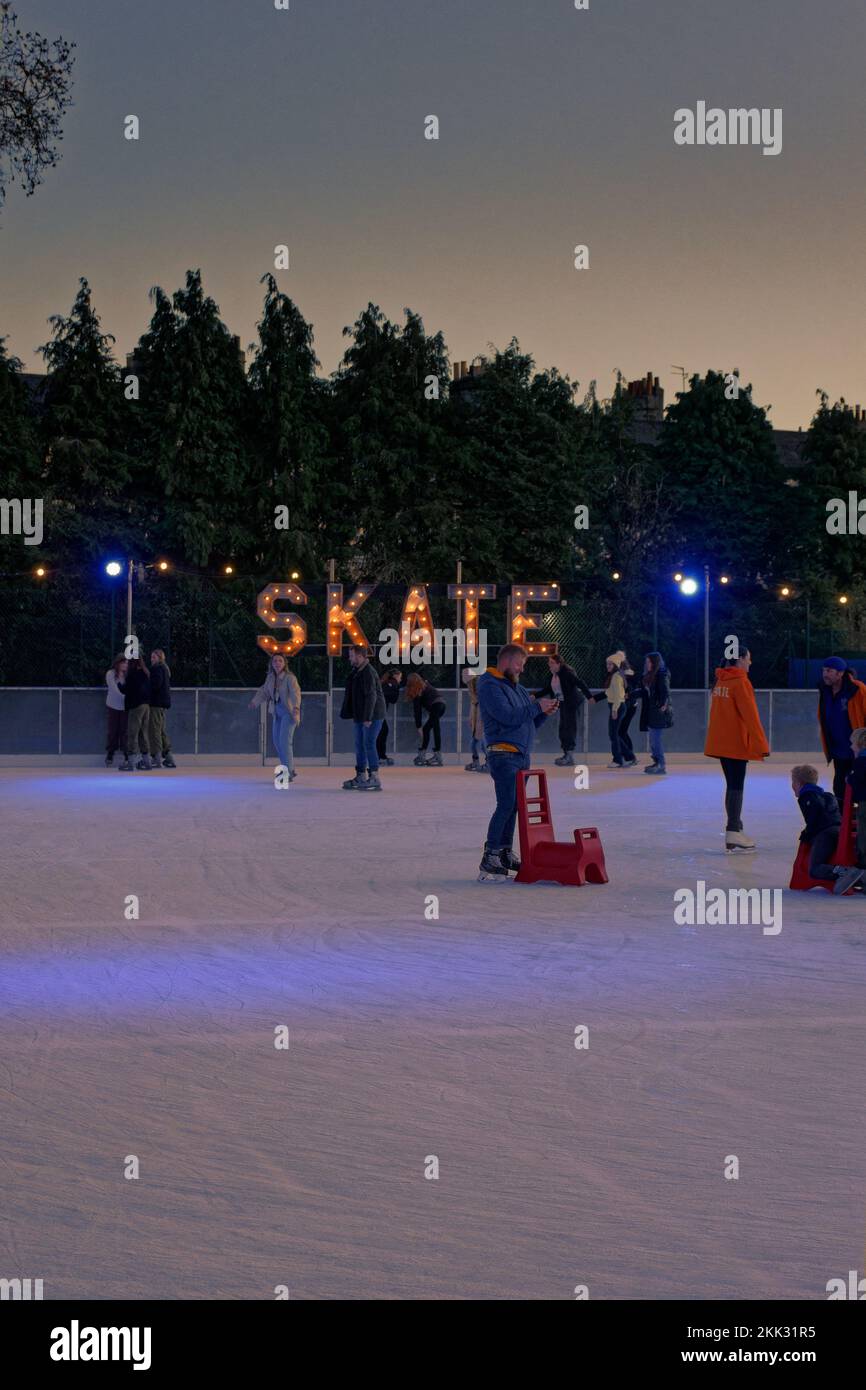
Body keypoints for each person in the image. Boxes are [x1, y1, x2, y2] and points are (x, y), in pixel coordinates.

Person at [476, 643, 557, 879]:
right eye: (519, 665)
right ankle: (490, 854)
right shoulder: (490, 684)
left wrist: (543, 712)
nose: (521, 670)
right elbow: (507, 717)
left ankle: (503, 851)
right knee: (506, 803)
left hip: (520, 754)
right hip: (503, 753)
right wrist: (535, 707)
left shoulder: (517, 688)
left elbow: (527, 723)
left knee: (515, 805)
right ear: (507, 662)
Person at [703, 647, 769, 851]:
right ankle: (733, 831)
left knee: (732, 785)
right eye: (748, 659)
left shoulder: (721, 680)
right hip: (736, 743)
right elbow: (751, 716)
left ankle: (736, 828)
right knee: (736, 786)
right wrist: (762, 746)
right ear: (740, 659)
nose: (750, 662)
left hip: (722, 742)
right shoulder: (740, 682)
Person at [817, 656, 866, 810]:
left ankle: (859, 821)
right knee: (839, 788)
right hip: (838, 750)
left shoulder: (857, 689)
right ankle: (844, 824)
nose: (825, 674)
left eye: (829, 671)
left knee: (859, 786)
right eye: (823, 670)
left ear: (840, 673)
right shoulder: (824, 690)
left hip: (858, 749)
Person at [790, 763, 846, 889]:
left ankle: (845, 872)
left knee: (814, 869)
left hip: (824, 834)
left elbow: (817, 812)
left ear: (799, 784)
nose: (792, 786)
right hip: (838, 830)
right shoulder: (828, 795)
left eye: (793, 782)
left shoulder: (807, 796)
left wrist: (807, 834)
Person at [249, 652, 302, 782]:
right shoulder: (271, 678)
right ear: (272, 664)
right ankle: (290, 769)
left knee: (284, 742)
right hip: (276, 712)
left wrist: (296, 707)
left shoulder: (290, 678)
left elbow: (296, 693)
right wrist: (255, 702)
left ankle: (287, 772)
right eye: (275, 661)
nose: (277, 663)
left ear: (284, 664)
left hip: (289, 712)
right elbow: (264, 692)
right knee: (277, 742)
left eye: (280, 661)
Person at [340, 645, 385, 790]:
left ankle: (374, 776)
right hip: (361, 714)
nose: (350, 658)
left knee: (369, 743)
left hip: (372, 714)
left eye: (352, 655)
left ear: (359, 656)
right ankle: (361, 775)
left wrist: (368, 717)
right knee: (360, 744)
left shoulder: (367, 672)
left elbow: (371, 695)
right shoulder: (358, 671)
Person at [534, 653, 591, 767]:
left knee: (569, 728)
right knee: (562, 728)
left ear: (558, 664)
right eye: (549, 662)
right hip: (563, 703)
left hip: (572, 703)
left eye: (551, 663)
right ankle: (566, 754)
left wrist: (590, 697)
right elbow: (548, 689)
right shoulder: (554, 675)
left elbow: (580, 683)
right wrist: (535, 696)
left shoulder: (566, 673)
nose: (549, 665)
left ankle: (569, 755)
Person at [836, 727, 866, 893]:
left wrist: (850, 777)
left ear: (860, 744)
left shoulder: (861, 761)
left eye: (853, 743)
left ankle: (863, 870)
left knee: (863, 838)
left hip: (864, 804)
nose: (850, 747)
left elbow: (855, 779)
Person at [636, 652, 672, 775]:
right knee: (652, 739)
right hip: (651, 711)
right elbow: (643, 692)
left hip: (658, 711)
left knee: (655, 739)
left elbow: (665, 690)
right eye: (646, 662)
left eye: (649, 662)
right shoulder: (649, 676)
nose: (647, 664)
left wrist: (662, 704)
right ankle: (657, 762)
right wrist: (630, 695)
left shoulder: (661, 674)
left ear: (655, 662)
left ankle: (661, 764)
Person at [599, 650, 635, 768]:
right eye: (607, 664)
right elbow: (611, 693)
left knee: (613, 734)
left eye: (610, 664)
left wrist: (614, 710)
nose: (607, 666)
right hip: (617, 706)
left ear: (615, 665)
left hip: (618, 707)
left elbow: (619, 695)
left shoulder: (616, 677)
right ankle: (628, 757)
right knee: (614, 734)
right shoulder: (615, 676)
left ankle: (619, 759)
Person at [118, 655, 152, 771]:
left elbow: (125, 690)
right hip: (146, 705)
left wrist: (120, 681)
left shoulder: (132, 675)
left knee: (132, 733)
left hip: (136, 706)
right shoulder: (145, 673)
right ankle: (146, 761)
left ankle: (131, 762)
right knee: (143, 733)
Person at [406, 674, 447, 767]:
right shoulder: (425, 685)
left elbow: (417, 710)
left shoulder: (418, 690)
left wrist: (418, 726)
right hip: (441, 705)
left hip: (436, 705)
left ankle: (435, 756)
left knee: (434, 728)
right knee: (428, 729)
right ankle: (428, 754)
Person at [148, 649, 176, 769]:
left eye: (154, 657)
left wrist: (146, 688)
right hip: (162, 704)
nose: (151, 659)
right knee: (161, 730)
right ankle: (168, 756)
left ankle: (156, 757)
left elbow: (156, 685)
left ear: (159, 658)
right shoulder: (165, 669)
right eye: (151, 657)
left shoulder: (157, 669)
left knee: (155, 731)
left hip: (156, 704)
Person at [104, 654, 128, 766]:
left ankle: (126, 753)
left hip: (124, 708)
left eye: (127, 663)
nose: (126, 665)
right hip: (113, 706)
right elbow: (114, 690)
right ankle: (110, 753)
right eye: (124, 663)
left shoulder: (127, 675)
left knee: (124, 730)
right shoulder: (110, 674)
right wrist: (127, 698)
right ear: (118, 663)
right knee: (113, 730)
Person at [376, 668, 403, 766]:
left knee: (381, 731)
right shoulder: (393, 683)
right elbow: (394, 699)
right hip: (378, 711)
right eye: (400, 677)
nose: (400, 679)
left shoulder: (385, 682)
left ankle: (380, 755)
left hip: (378, 710)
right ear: (396, 676)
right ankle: (380, 756)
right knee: (382, 732)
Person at [462, 667, 487, 772]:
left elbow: (481, 705)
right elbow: (473, 704)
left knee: (483, 743)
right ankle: (475, 761)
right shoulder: (472, 691)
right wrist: (471, 718)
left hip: (482, 718)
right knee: (473, 743)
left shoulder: (480, 689)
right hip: (477, 718)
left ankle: (489, 762)